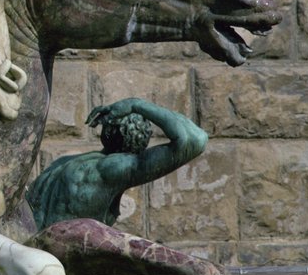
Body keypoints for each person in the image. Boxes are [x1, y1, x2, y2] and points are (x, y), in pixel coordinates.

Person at [27, 97, 207, 232]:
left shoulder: (65, 162)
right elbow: (197, 139)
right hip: (64, 266)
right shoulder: (114, 170)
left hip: (29, 246)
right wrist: (137, 104)